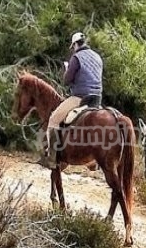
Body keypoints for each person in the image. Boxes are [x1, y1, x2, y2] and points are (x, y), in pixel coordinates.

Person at [38, 31, 103, 169]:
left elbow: (67, 80)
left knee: (54, 120)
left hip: (80, 97)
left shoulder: (76, 57)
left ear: (74, 45)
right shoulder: (97, 57)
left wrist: (67, 69)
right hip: (97, 99)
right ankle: (94, 162)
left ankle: (52, 158)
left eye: (72, 46)